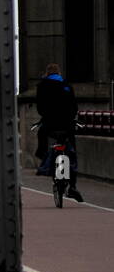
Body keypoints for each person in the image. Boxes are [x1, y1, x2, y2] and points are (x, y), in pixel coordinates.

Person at [35, 63, 83, 202]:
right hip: (67, 125)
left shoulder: (42, 86)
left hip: (50, 124)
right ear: (59, 73)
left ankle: (44, 162)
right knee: (71, 150)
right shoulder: (67, 86)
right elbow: (74, 107)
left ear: (47, 73)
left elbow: (40, 108)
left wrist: (46, 116)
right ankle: (72, 185)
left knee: (42, 137)